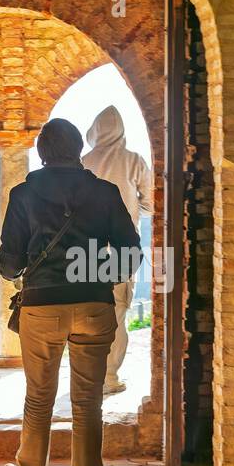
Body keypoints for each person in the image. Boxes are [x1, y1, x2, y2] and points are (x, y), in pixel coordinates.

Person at [0, 119, 141, 466]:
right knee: (88, 405)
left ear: (42, 153)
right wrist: (96, 277)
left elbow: (9, 264)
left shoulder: (24, 194)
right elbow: (131, 254)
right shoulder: (105, 192)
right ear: (79, 150)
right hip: (94, 307)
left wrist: (28, 267)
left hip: (42, 308)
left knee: (39, 399)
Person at [82, 105, 153, 395]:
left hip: (86, 250)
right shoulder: (133, 161)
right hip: (122, 251)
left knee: (89, 314)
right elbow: (151, 203)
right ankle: (109, 377)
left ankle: (88, 376)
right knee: (118, 312)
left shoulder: (83, 161)